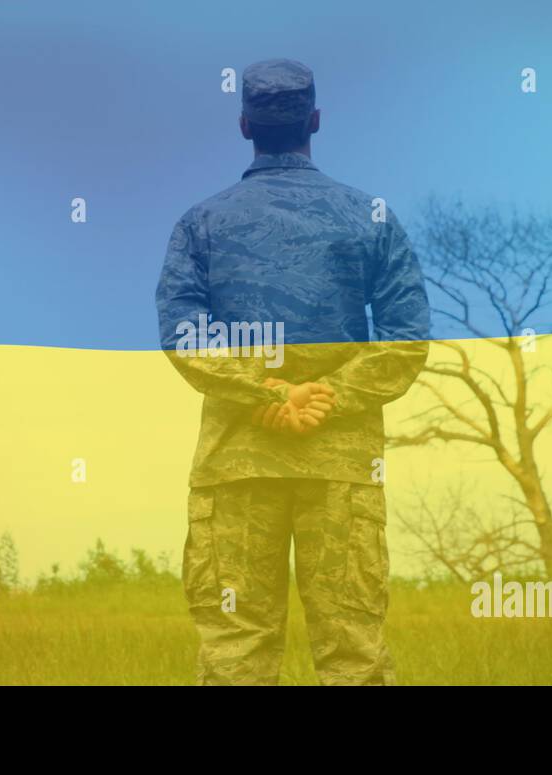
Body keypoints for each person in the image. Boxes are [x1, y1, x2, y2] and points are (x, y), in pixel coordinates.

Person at [155, 59, 430, 685]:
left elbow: (183, 334)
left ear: (244, 123)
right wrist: (327, 396)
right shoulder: (371, 216)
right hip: (341, 467)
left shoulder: (201, 222)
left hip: (236, 467)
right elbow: (406, 338)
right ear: (315, 121)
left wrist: (266, 392)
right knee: (353, 651)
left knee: (235, 653)